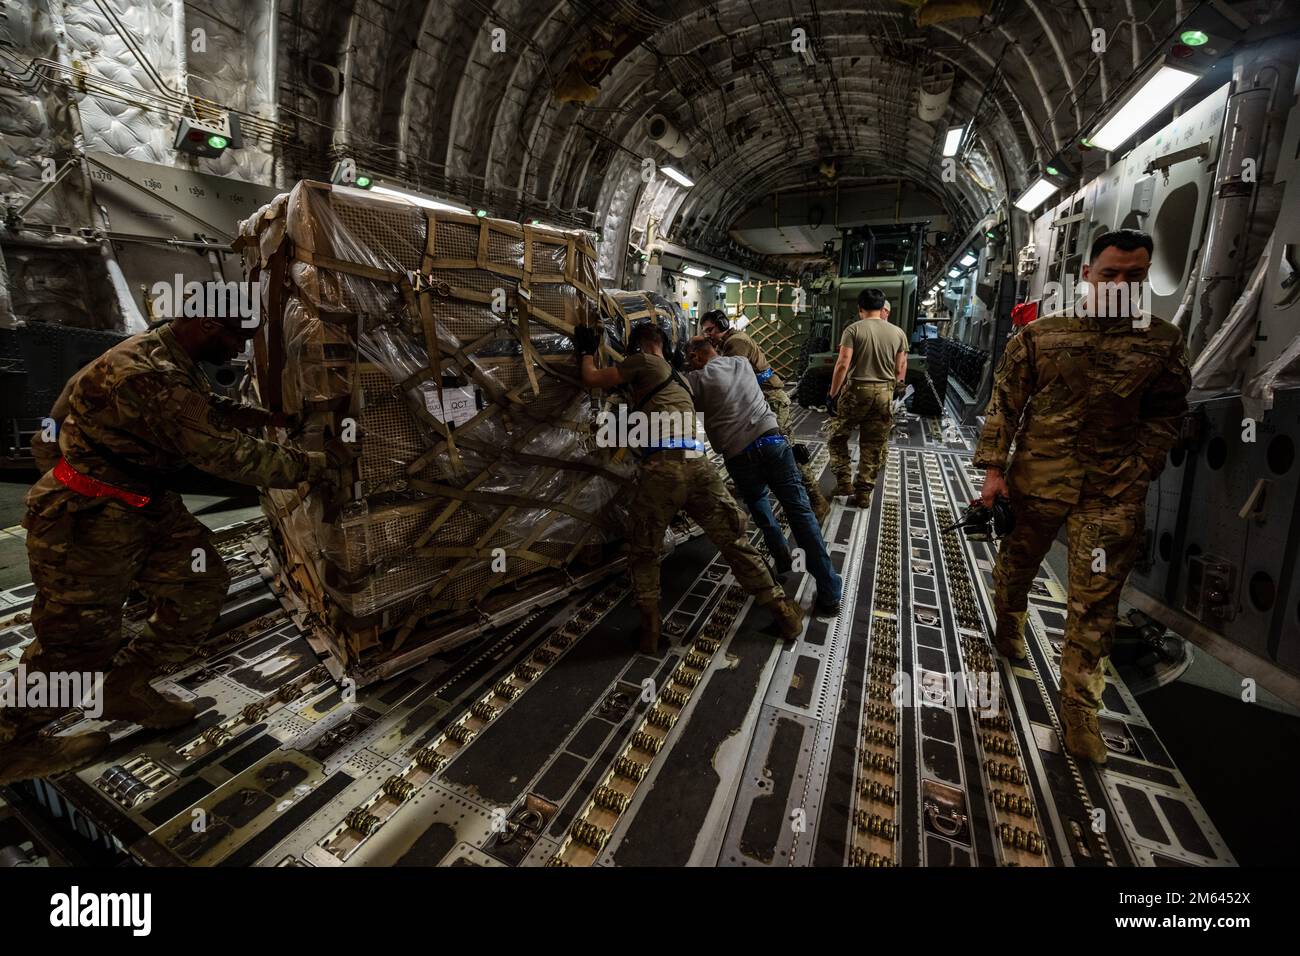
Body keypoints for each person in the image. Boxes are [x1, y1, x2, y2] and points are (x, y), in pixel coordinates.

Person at [0, 304, 339, 786]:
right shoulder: (145, 373)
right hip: (86, 516)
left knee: (200, 585)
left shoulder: (164, 356)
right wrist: (315, 467)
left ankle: (126, 685)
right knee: (75, 644)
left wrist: (270, 417)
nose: (239, 349)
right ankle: (10, 743)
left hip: (142, 503)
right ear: (207, 325)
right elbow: (220, 454)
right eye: (236, 338)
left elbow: (201, 409)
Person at [974, 228, 1190, 764]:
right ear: (1088, 274)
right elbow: (1005, 404)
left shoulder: (1162, 342)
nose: (1121, 283)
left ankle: (1079, 710)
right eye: (1111, 273)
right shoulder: (1040, 337)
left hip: (1111, 491)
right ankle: (1007, 625)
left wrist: (1141, 467)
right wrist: (993, 473)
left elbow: (1166, 413)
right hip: (1038, 480)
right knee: (1016, 566)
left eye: (1134, 276)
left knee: (1094, 602)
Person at [573, 321, 804, 653]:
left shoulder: (643, 362)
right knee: (733, 540)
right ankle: (784, 614)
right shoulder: (680, 377)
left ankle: (650, 634)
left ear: (639, 345)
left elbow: (591, 379)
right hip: (699, 467)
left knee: (644, 551)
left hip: (662, 470)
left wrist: (585, 351)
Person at [685, 336, 842, 615]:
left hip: (739, 456)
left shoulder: (694, 380)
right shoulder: (742, 363)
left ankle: (781, 560)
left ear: (697, 357)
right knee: (801, 514)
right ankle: (829, 591)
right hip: (773, 444)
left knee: (759, 506)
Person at [700, 310, 831, 522]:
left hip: (771, 401)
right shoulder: (729, 342)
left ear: (723, 325)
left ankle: (817, 500)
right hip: (761, 401)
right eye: (705, 332)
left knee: (787, 451)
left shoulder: (735, 344)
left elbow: (731, 378)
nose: (708, 335)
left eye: (711, 330)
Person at [826, 288, 908, 507]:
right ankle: (863, 493)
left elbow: (843, 364)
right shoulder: (898, 333)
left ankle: (844, 482)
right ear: (883, 308)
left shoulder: (852, 330)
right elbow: (900, 366)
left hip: (856, 392)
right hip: (884, 393)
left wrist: (832, 394)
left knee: (837, 437)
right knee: (872, 444)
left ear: (860, 309)